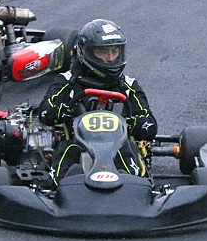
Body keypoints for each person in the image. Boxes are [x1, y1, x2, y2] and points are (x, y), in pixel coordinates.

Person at [36, 19, 158, 181]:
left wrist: (130, 122)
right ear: (86, 52)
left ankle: (131, 185)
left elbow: (149, 125)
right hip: (78, 143)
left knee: (127, 150)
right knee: (68, 149)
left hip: (118, 145)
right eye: (103, 52)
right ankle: (64, 188)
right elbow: (45, 113)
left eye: (115, 51)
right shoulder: (67, 81)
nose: (110, 58)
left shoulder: (127, 85)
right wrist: (66, 110)